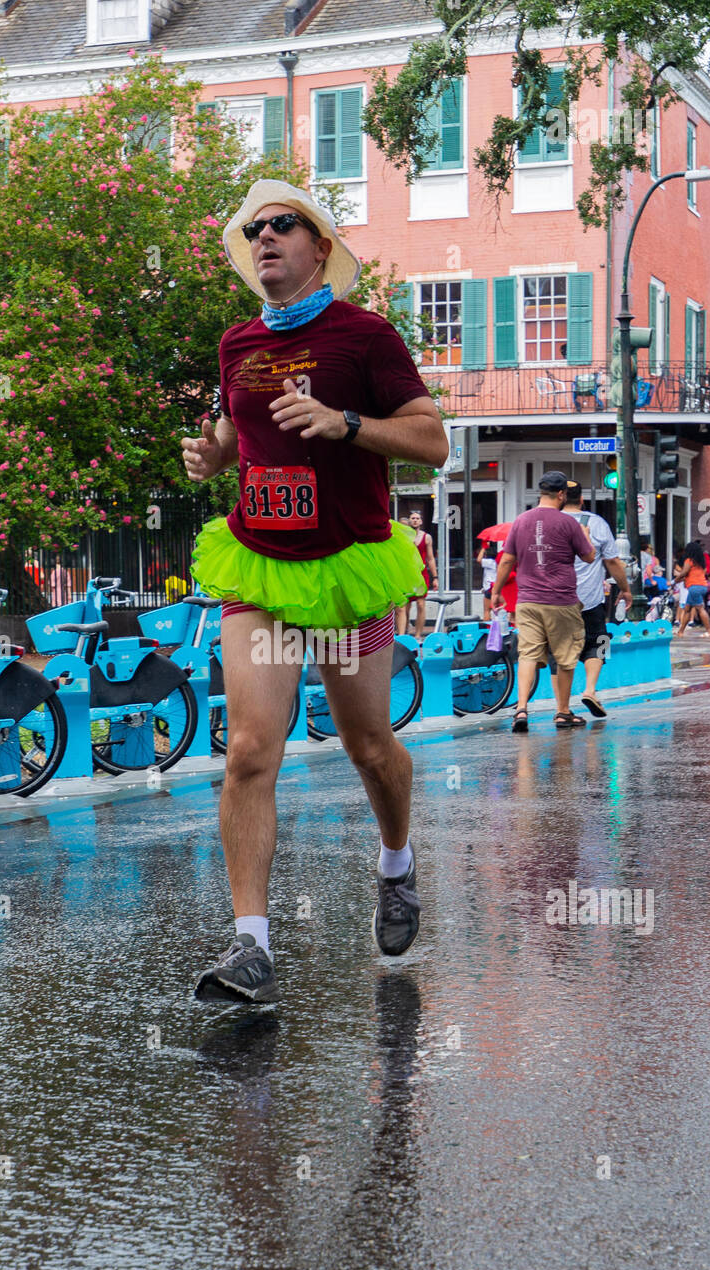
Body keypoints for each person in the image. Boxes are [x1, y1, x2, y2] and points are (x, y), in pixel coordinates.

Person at [180, 179, 447, 1004]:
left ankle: (396, 860)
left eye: (282, 225)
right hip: (259, 564)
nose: (264, 237)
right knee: (251, 748)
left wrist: (349, 425)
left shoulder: (365, 337)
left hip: (348, 567)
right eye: (253, 229)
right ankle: (250, 945)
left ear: (319, 247)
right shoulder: (236, 344)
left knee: (369, 746)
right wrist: (213, 457)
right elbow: (237, 430)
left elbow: (433, 441)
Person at [490, 471, 596, 733]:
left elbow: (506, 560)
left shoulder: (521, 521)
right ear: (561, 494)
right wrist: (586, 534)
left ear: (541, 492)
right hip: (561, 600)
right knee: (565, 656)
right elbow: (589, 557)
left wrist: (497, 591)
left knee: (527, 653)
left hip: (528, 601)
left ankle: (521, 708)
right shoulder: (569, 523)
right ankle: (562, 712)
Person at [561, 480, 631, 718]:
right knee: (601, 641)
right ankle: (590, 689)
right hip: (590, 600)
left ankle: (563, 707)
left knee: (559, 650)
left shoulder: (550, 521)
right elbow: (612, 561)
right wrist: (625, 588)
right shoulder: (597, 523)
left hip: (556, 600)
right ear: (581, 500)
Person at [396, 509, 437, 640]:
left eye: (417, 518)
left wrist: (435, 577)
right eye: (412, 518)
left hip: (421, 574)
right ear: (409, 521)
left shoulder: (426, 537)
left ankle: (418, 635)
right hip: (406, 574)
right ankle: (404, 632)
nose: (415, 520)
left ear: (421, 521)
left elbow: (430, 558)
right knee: (405, 607)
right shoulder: (402, 538)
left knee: (420, 604)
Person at [676, 539, 710, 638]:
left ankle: (709, 631)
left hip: (694, 587)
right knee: (687, 608)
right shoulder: (701, 562)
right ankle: (680, 632)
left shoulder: (689, 561)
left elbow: (684, 572)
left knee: (700, 609)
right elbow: (704, 572)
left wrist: (677, 579)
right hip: (702, 586)